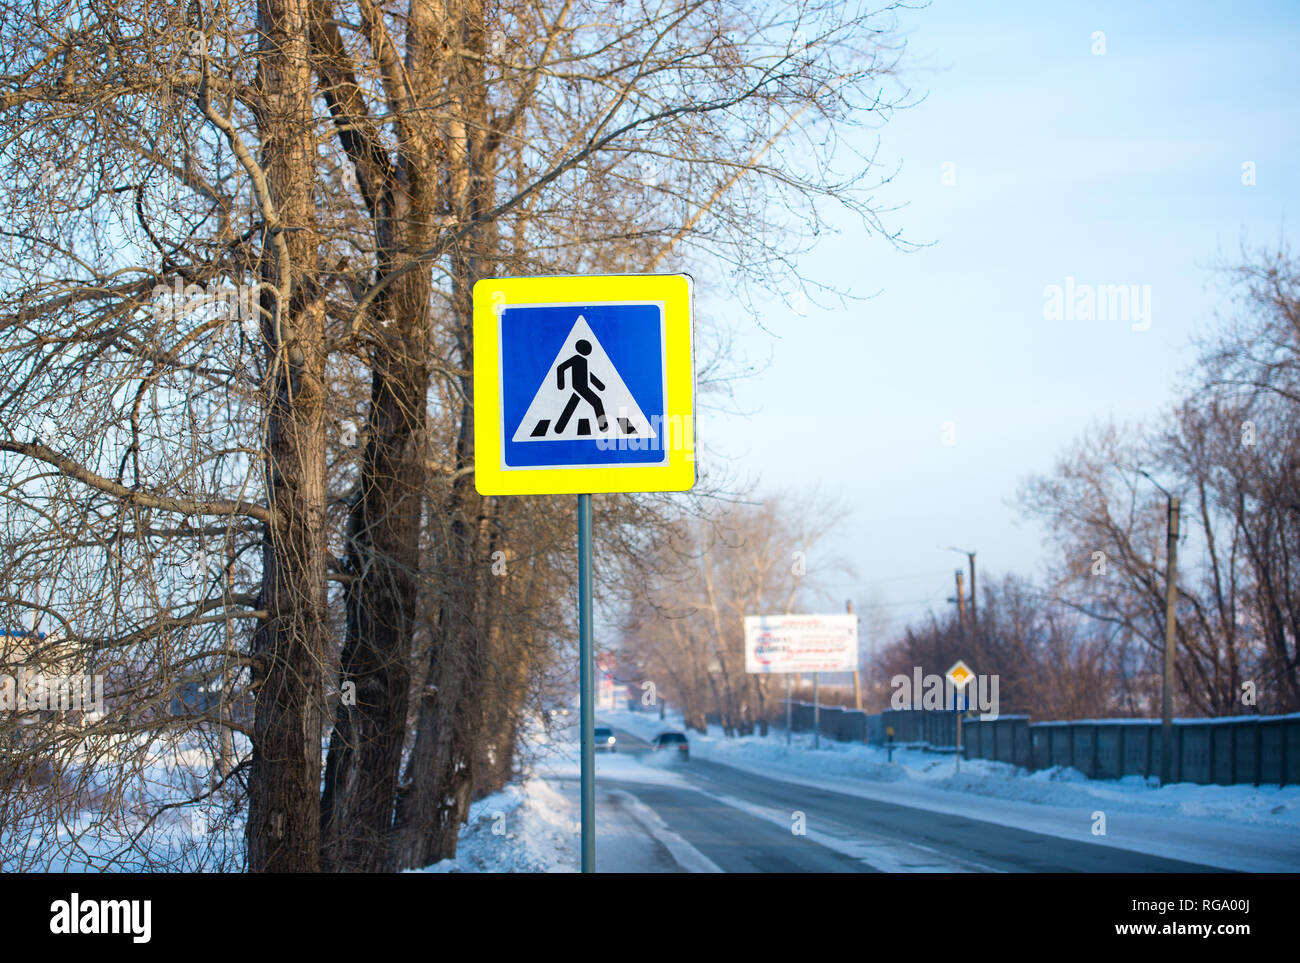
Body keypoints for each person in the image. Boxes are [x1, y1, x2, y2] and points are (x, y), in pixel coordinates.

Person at [554, 338, 607, 432]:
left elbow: (588, 375)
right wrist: (561, 385)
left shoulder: (583, 360)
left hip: (582, 387)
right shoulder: (576, 358)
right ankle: (603, 426)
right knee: (597, 402)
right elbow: (561, 367)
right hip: (579, 387)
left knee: (572, 405)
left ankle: (558, 428)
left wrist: (599, 385)